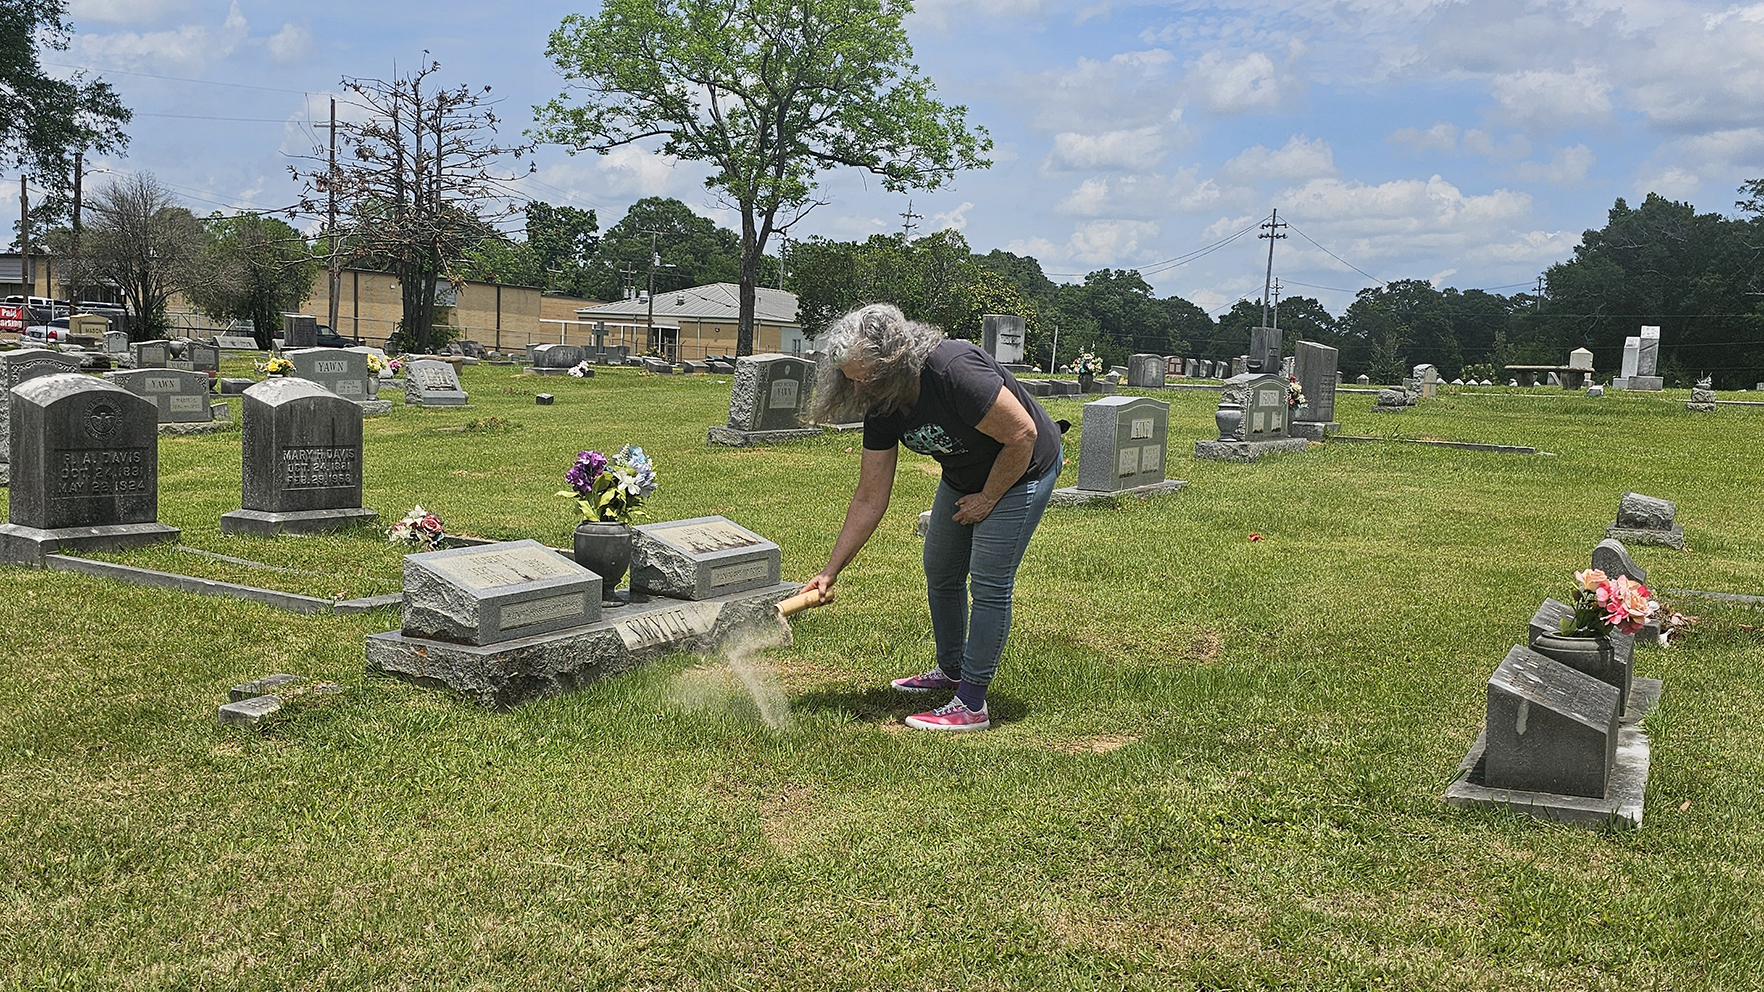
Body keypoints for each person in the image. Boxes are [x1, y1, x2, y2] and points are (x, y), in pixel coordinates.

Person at [804, 303, 1063, 732]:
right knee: (940, 567)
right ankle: (953, 669)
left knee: (989, 580)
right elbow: (870, 496)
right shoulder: (882, 402)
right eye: (849, 379)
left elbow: (1022, 435)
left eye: (864, 376)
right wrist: (831, 570)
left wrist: (987, 498)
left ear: (893, 360)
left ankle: (973, 703)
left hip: (1022, 469)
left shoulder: (953, 370)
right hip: (965, 476)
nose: (858, 388)